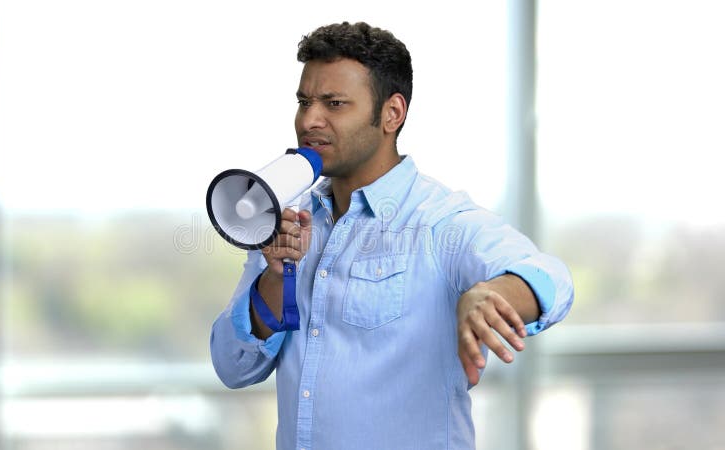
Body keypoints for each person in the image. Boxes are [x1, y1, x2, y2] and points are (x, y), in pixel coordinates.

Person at [210, 21, 574, 450]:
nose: (310, 119)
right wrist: (274, 277)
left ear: (392, 114)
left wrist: (490, 294)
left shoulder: (441, 222)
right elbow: (233, 367)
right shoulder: (288, 221)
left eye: (334, 103)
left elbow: (551, 277)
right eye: (304, 101)